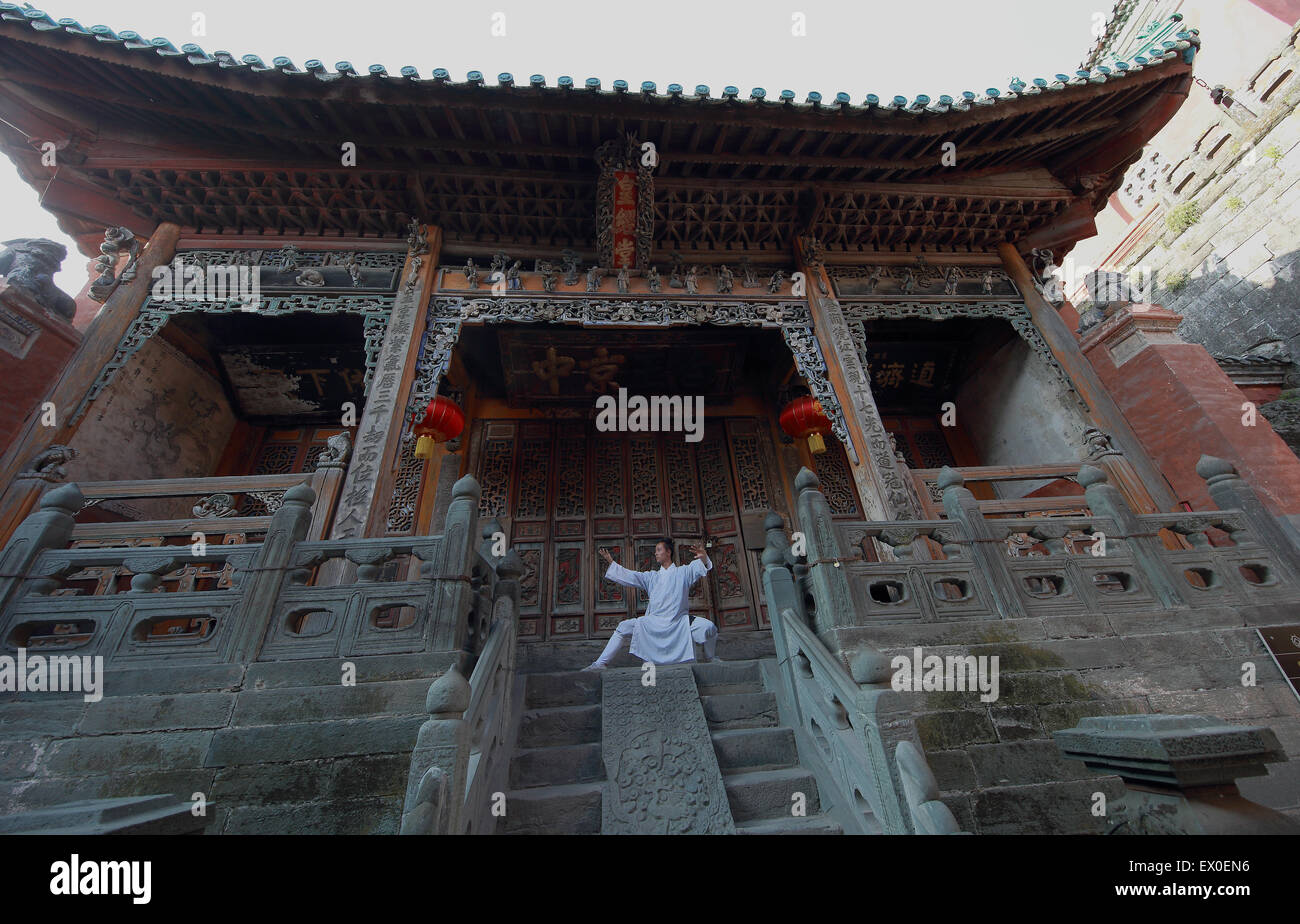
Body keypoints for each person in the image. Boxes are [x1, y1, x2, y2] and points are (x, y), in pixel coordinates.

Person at [583, 538, 718, 670]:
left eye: (659, 550)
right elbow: (632, 576)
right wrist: (611, 562)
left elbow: (701, 566)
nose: (656, 553)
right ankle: (600, 663)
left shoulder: (683, 572)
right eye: (655, 551)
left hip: (678, 622)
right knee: (623, 627)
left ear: (668, 552)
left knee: (709, 627)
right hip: (654, 622)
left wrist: (704, 557)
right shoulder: (652, 577)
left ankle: (710, 658)